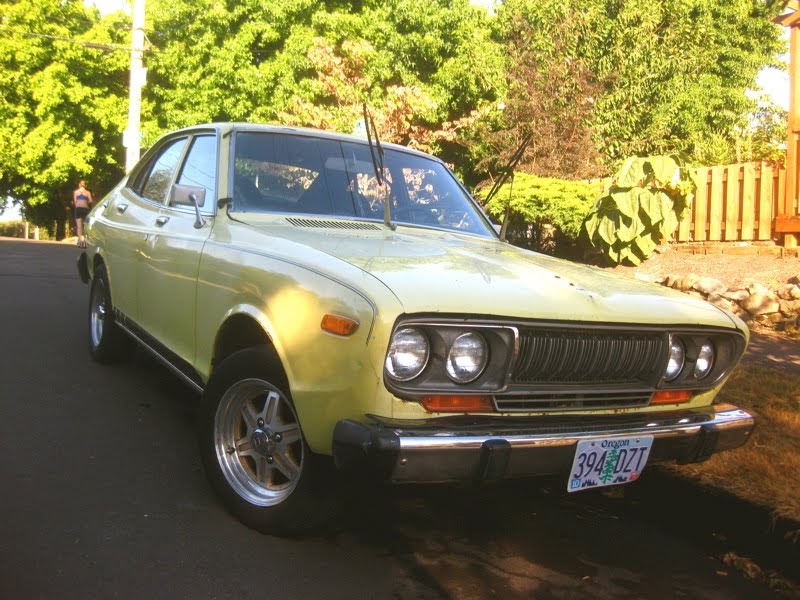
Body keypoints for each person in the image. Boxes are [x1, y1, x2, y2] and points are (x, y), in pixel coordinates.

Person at [73, 180, 93, 248]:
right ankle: (85, 241)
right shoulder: (87, 192)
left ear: (79, 185)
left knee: (79, 226)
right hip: (85, 209)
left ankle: (79, 241)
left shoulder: (76, 192)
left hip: (78, 209)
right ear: (85, 185)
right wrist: (86, 202)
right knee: (85, 226)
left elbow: (75, 202)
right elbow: (90, 200)